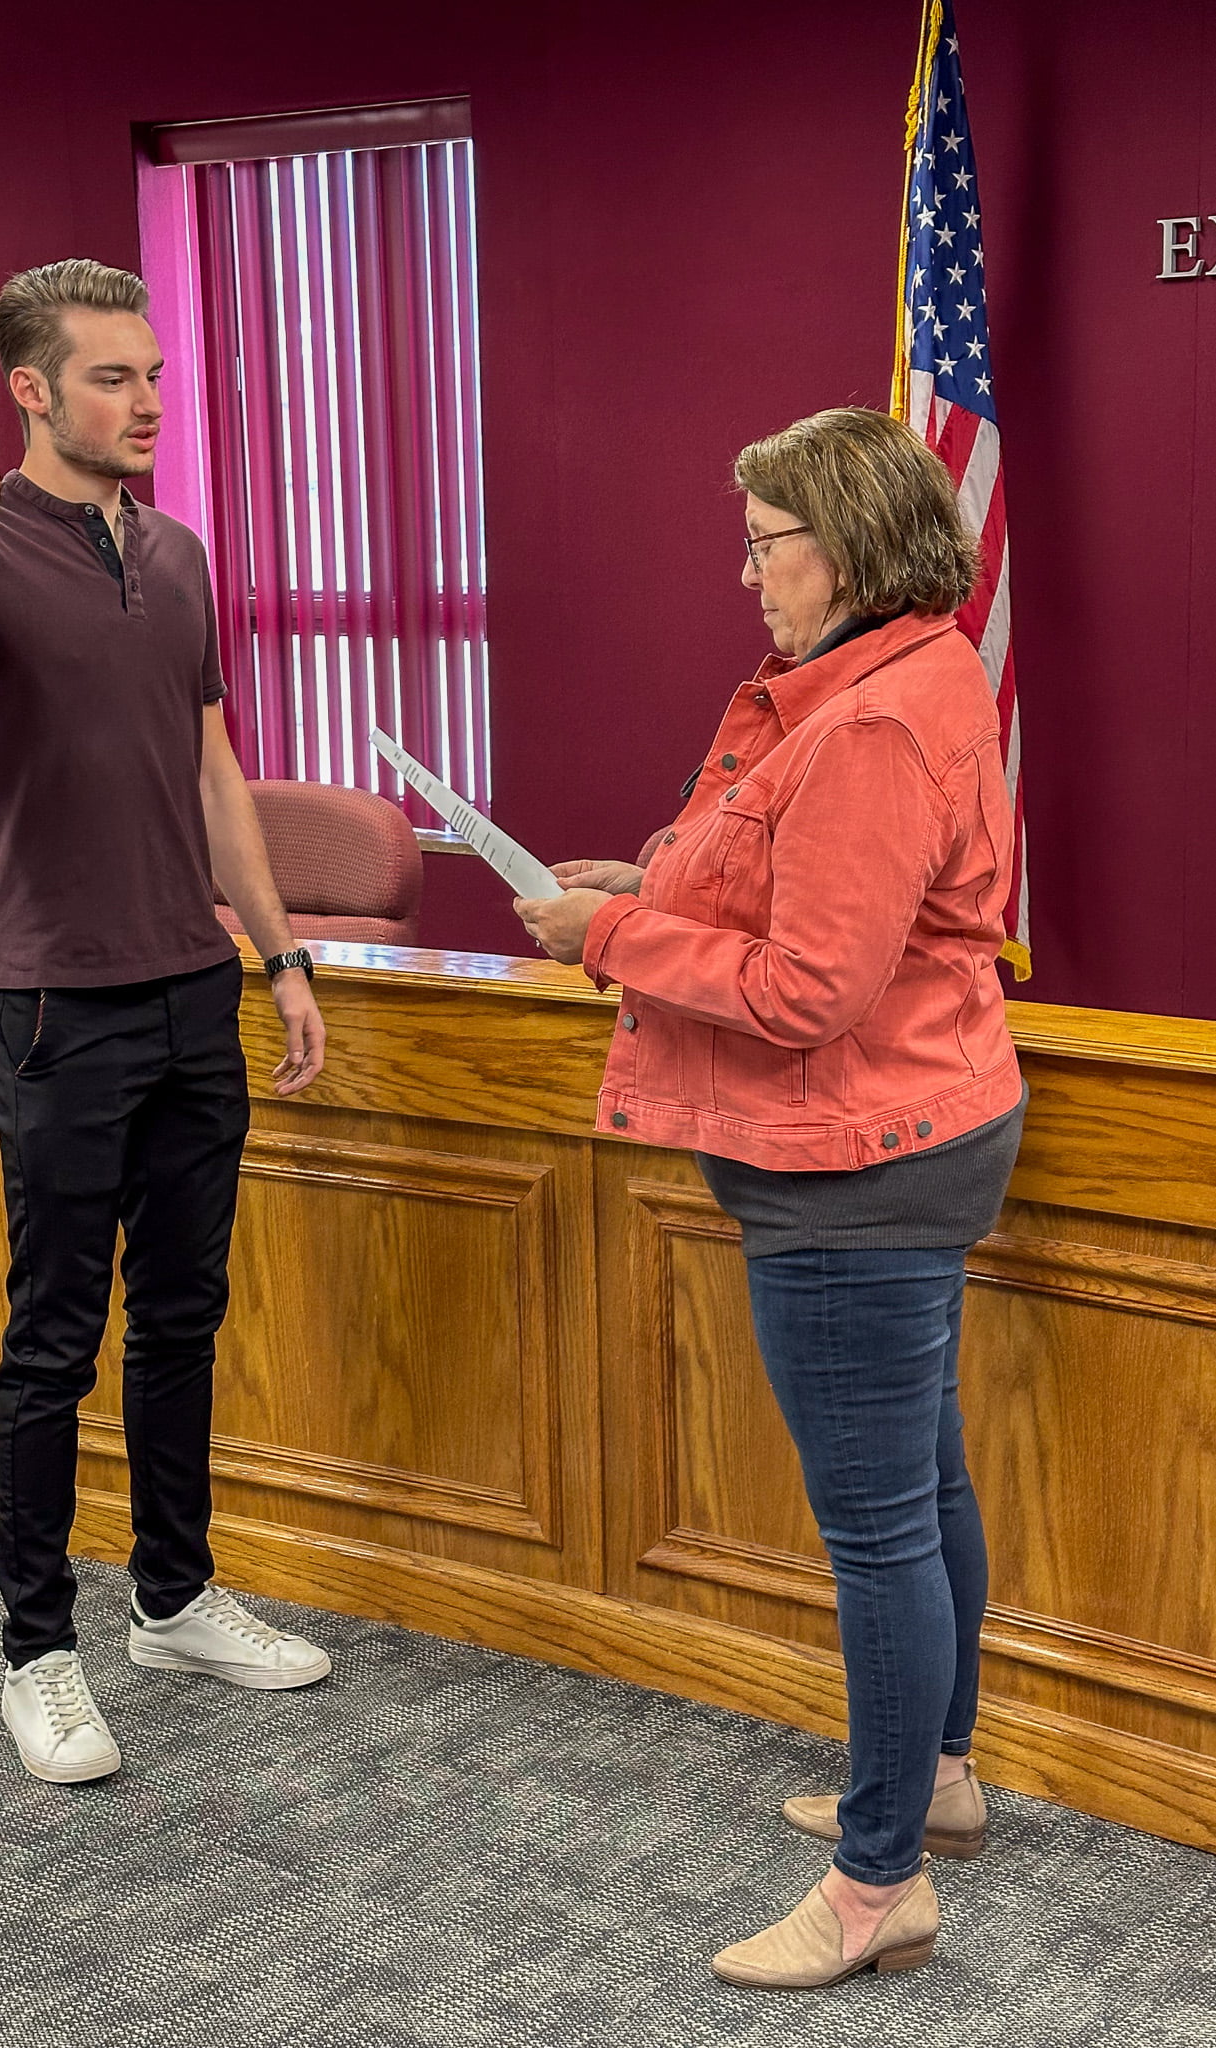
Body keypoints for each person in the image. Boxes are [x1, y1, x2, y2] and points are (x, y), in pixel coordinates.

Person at [517, 407, 1024, 1990]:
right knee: (923, 1492)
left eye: (764, 542)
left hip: (849, 1159)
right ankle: (933, 1785)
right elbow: (782, 884)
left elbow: (808, 987)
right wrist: (645, 889)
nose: (744, 576)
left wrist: (600, 944)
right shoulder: (888, 677)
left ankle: (876, 1882)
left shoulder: (870, 719)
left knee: (876, 1529)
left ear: (851, 543)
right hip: (907, 1127)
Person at [0, 260, 333, 1784]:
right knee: (55, 1338)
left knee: (185, 1319)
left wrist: (279, 956)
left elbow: (210, 774)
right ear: (32, 391)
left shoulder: (172, 554)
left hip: (190, 992)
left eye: (156, 374)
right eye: (114, 378)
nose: (150, 402)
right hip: (54, 1001)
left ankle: (171, 1597)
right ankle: (36, 1653)